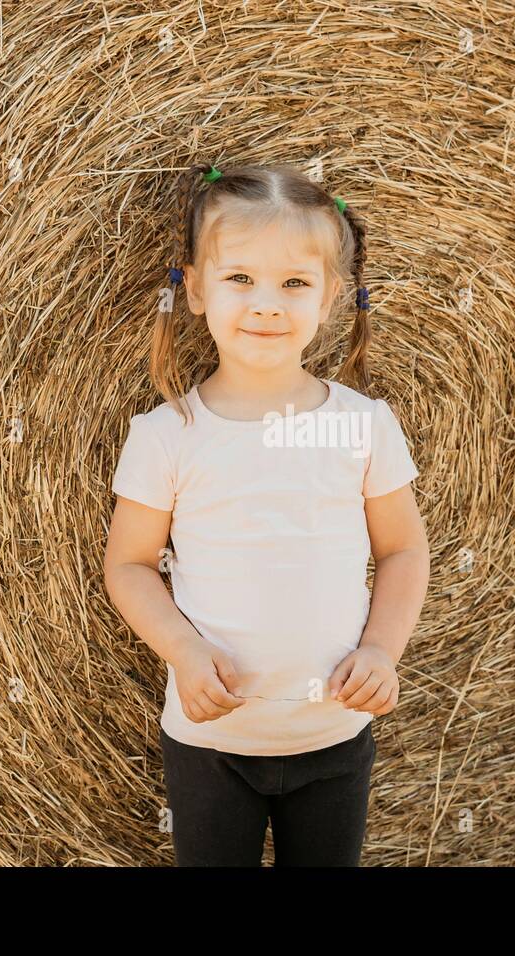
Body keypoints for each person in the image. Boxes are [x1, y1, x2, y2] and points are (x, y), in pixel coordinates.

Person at [103, 161, 429, 866]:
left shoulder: (364, 424)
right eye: (240, 278)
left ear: (330, 297)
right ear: (195, 289)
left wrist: (381, 650)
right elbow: (129, 566)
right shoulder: (166, 435)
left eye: (295, 283)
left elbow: (404, 550)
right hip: (211, 744)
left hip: (335, 738)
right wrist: (183, 652)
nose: (268, 304)